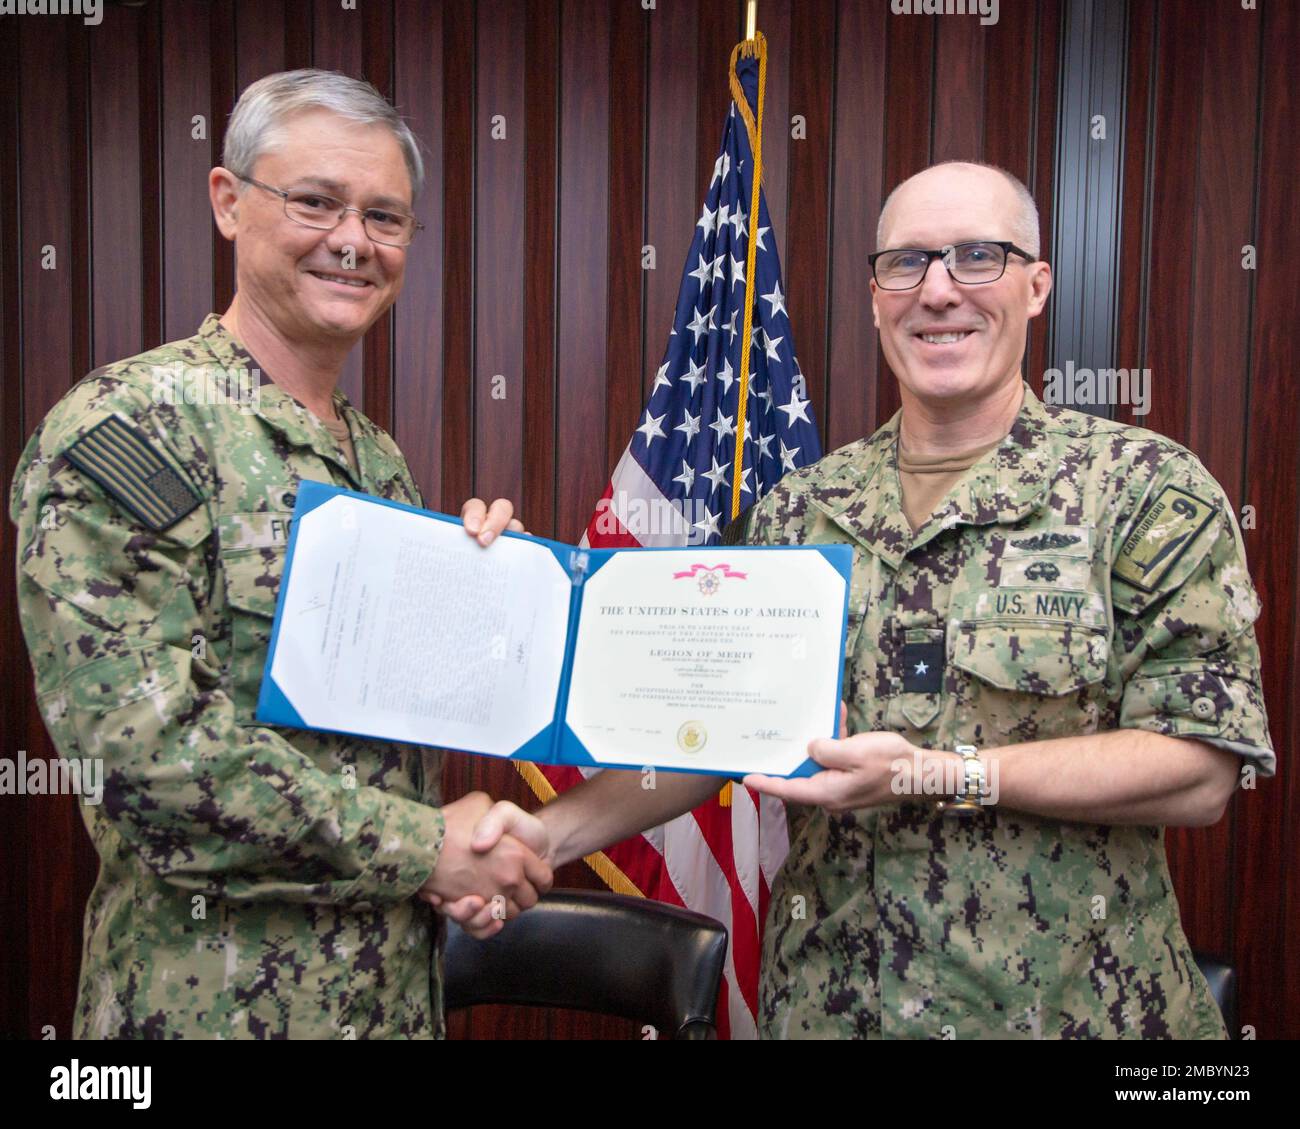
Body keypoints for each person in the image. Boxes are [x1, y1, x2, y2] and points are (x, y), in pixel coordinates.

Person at [450, 161, 1275, 1039]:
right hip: (834, 1011)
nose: (940, 291)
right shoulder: (799, 511)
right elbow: (720, 735)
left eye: (978, 258)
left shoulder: (1145, 492)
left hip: (1074, 1016)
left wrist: (939, 773)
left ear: (1036, 287)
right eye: (908, 263)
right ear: (876, 295)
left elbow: (1200, 768)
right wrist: (546, 831)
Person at [10, 69, 548, 1039]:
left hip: (387, 1008)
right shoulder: (131, 428)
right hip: (204, 1011)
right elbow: (151, 764)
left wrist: (494, 596)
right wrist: (429, 848)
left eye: (385, 217)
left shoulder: (376, 462)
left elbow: (377, 756)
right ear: (228, 202)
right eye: (315, 202)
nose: (352, 240)